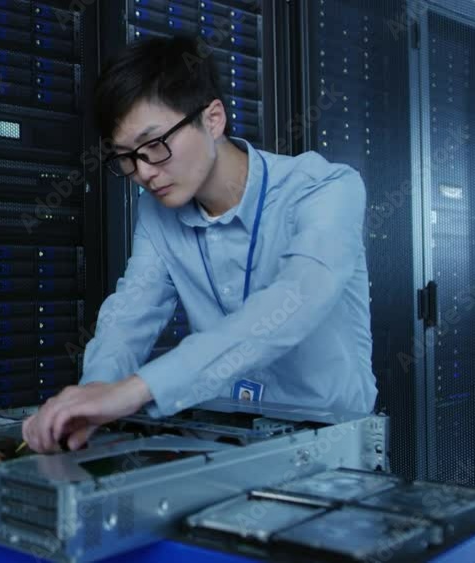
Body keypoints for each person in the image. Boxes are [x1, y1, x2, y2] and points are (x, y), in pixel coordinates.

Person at [22, 35, 377, 454]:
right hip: (224, 450)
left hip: (329, 450)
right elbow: (131, 311)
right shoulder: (156, 212)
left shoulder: (325, 188)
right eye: (126, 157)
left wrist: (137, 389)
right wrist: (97, 390)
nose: (143, 172)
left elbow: (294, 300)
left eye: (155, 145)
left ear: (212, 119)